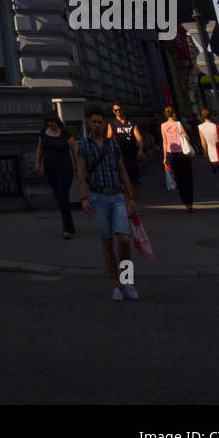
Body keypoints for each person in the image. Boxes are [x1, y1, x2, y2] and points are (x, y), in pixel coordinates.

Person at [76, 105, 140, 300]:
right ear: (89, 123)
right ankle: (115, 284)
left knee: (125, 239)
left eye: (100, 122)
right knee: (107, 241)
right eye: (94, 122)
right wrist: (84, 197)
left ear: (104, 124)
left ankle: (127, 280)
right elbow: (80, 172)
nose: (97, 125)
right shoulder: (84, 145)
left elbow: (122, 171)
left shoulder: (112, 145)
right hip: (98, 197)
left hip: (118, 196)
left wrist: (131, 198)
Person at [33, 108, 78, 238]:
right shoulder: (44, 132)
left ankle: (68, 228)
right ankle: (67, 224)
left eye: (51, 122)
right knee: (59, 197)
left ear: (56, 121)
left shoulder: (64, 133)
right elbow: (40, 148)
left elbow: (75, 149)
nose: (50, 124)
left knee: (63, 196)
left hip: (64, 169)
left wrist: (77, 167)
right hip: (50, 169)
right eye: (48, 122)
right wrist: (38, 163)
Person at [107, 101, 144, 202]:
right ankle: (128, 205)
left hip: (132, 154)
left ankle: (135, 204)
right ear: (113, 111)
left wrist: (140, 149)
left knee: (135, 181)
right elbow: (109, 138)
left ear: (122, 109)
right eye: (116, 110)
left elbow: (138, 137)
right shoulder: (112, 123)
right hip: (120, 156)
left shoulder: (131, 122)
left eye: (119, 109)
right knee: (122, 181)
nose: (118, 112)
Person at [161, 105, 195, 210]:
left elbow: (165, 142)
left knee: (178, 177)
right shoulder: (178, 124)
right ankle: (189, 201)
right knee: (188, 177)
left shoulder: (163, 126)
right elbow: (187, 138)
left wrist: (165, 157)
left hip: (172, 155)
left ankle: (185, 201)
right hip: (183, 153)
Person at [198, 107, 219, 211]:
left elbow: (203, 143)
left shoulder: (200, 127)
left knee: (217, 176)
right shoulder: (218, 127)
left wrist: (205, 154)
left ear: (203, 116)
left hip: (211, 156)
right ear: (211, 115)